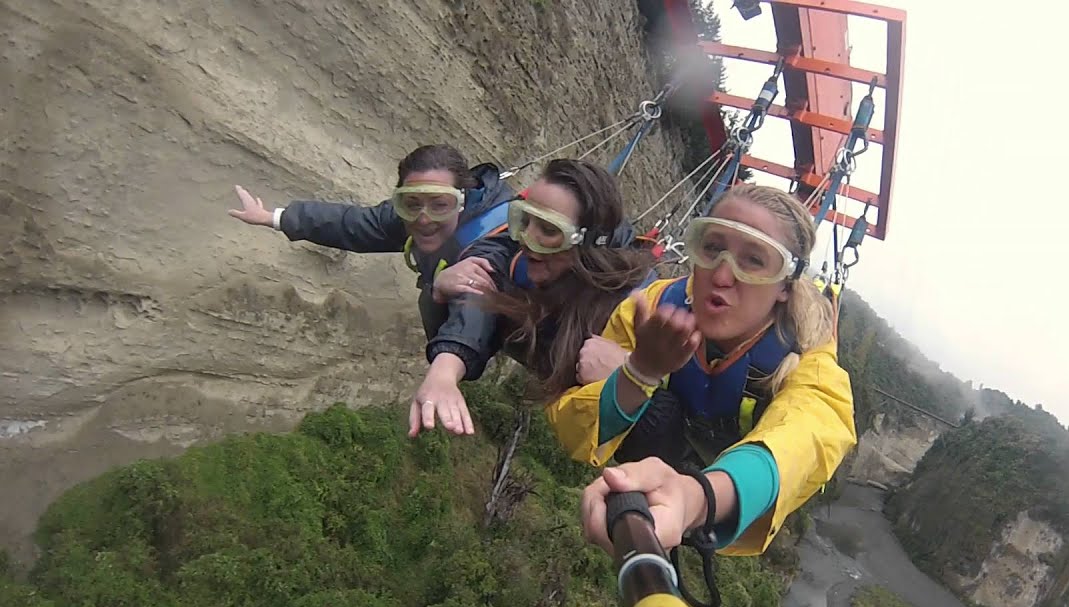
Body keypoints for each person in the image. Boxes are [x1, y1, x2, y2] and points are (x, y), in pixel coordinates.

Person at [545, 183, 856, 557]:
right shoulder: (655, 307)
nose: (722, 276)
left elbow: (806, 438)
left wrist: (696, 498)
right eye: (711, 248)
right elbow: (572, 428)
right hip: (656, 457)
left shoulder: (809, 361)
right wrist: (638, 373)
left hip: (717, 493)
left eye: (755, 261)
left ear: (786, 286)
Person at [410, 158, 655, 437]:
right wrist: (444, 371)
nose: (526, 238)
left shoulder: (630, 309)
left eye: (549, 231)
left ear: (586, 244)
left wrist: (633, 378)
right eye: (524, 220)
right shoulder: (510, 254)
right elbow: (477, 301)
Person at [226, 144, 515, 344]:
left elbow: (473, 313)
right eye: (410, 203)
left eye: (440, 205)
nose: (424, 219)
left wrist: (448, 368)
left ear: (462, 201)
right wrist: (273, 217)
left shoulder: (492, 242)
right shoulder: (410, 215)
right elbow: (351, 224)